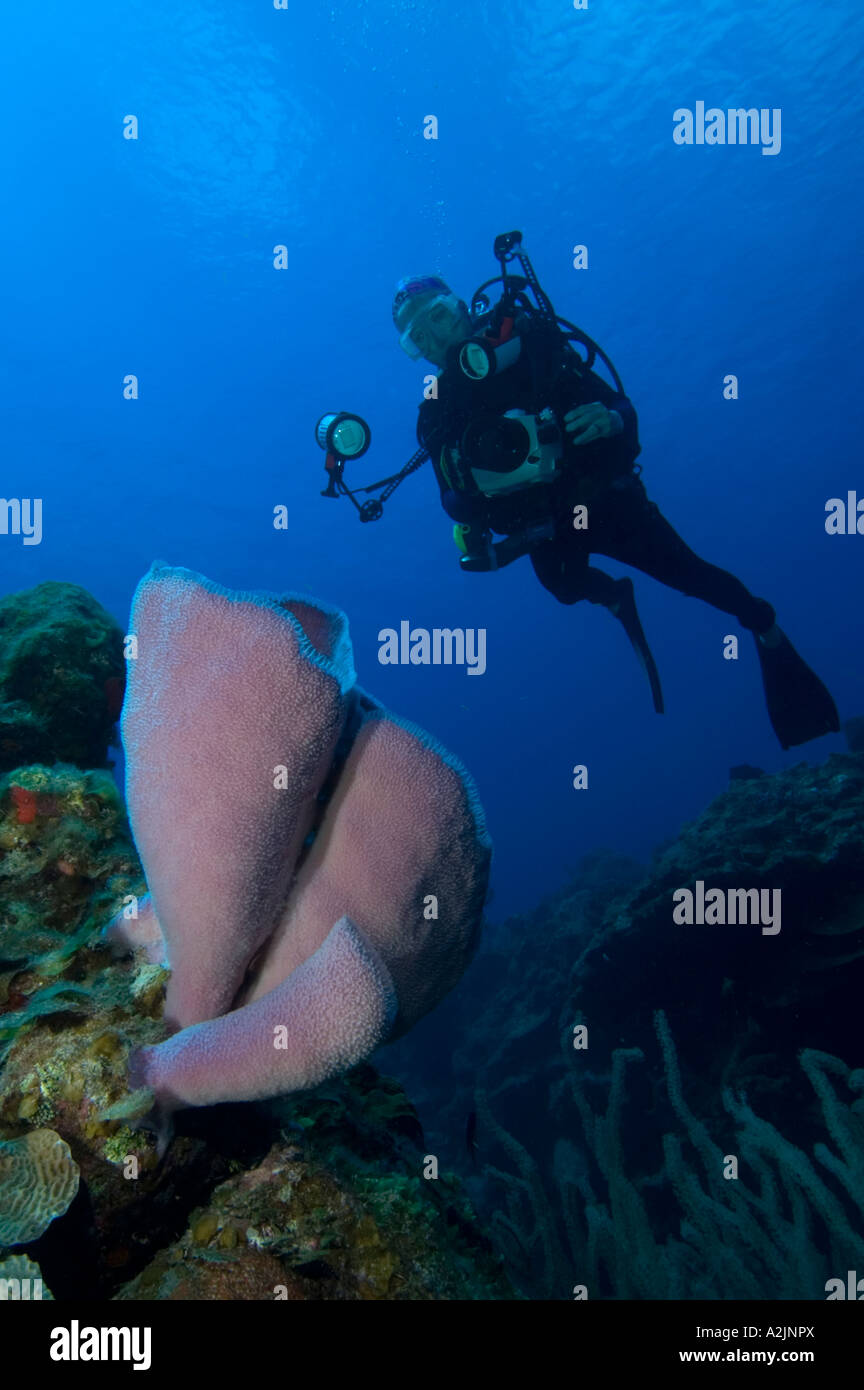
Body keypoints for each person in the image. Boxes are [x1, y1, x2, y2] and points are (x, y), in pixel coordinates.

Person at [391, 268, 840, 749]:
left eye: (437, 317)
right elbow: (451, 502)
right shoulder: (437, 413)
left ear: (460, 307)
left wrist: (608, 419)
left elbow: (622, 410)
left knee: (692, 576)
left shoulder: (531, 342)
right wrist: (473, 491)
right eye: (418, 335)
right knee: (563, 587)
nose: (435, 337)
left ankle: (765, 628)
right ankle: (614, 597)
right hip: (545, 527)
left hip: (606, 498)